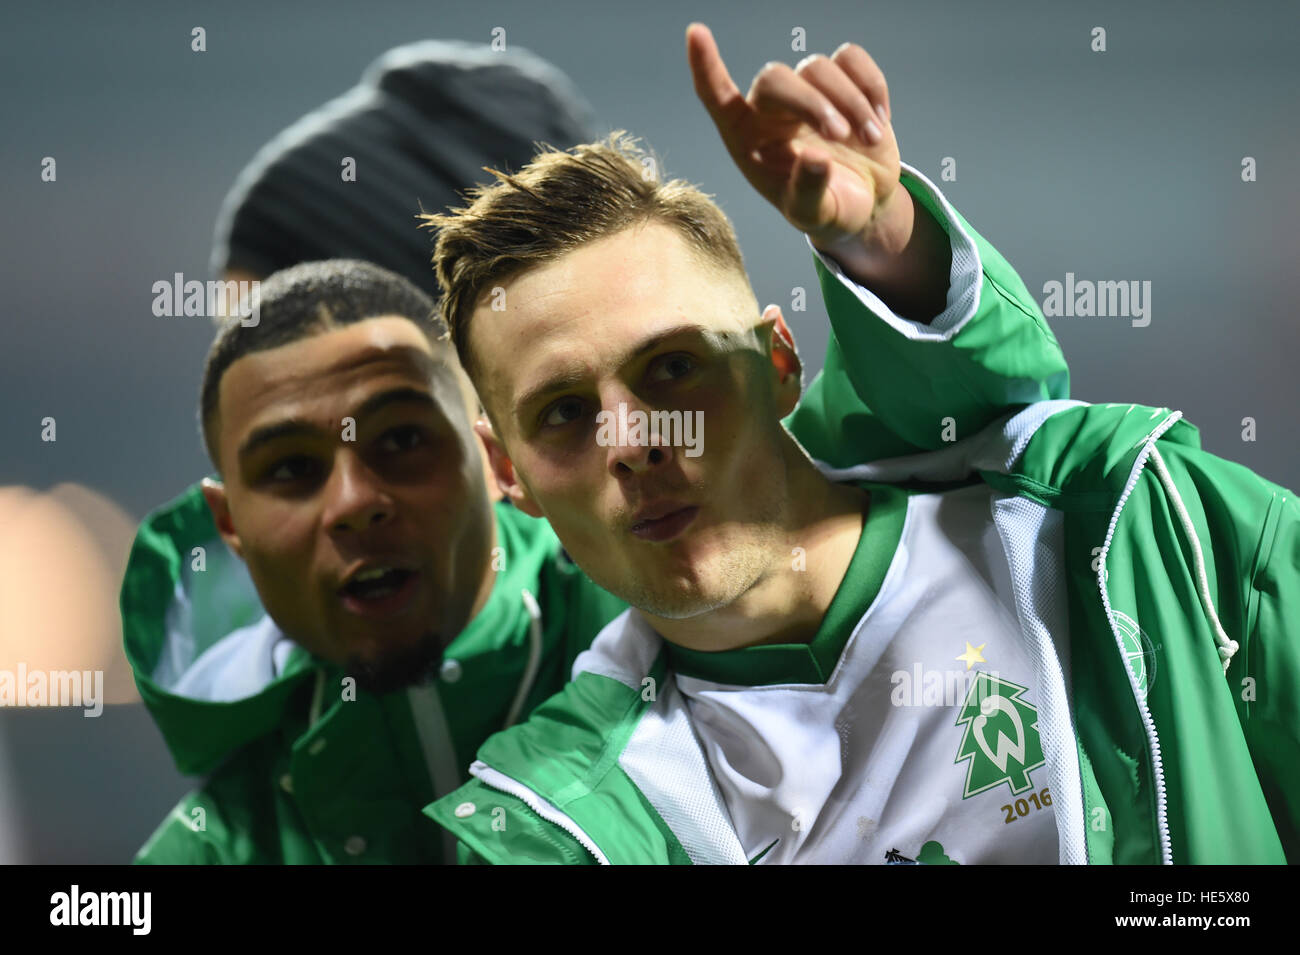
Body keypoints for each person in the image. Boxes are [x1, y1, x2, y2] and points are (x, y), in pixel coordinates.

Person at [422, 24, 1299, 864]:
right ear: (509, 474)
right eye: (566, 414)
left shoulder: (1138, 523)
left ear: (779, 365)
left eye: (672, 368)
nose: (634, 442)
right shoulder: (550, 830)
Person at [124, 41, 619, 864]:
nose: (348, 499)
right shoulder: (229, 826)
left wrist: (895, 268)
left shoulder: (699, 643)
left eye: (393, 433)